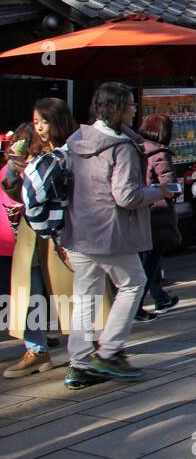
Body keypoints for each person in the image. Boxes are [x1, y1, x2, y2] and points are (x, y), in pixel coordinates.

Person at [61, 83, 174, 389]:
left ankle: (79, 363)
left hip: (78, 231)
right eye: (131, 104)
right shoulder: (120, 147)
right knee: (133, 283)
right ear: (118, 108)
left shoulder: (77, 139)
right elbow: (126, 197)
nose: (135, 108)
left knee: (85, 297)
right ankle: (109, 351)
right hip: (110, 232)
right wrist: (159, 191)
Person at [3, 103, 75, 378]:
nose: (40, 127)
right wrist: (13, 171)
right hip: (31, 229)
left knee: (70, 288)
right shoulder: (30, 149)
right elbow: (13, 191)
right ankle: (36, 349)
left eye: (44, 121)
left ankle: (85, 346)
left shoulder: (74, 150)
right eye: (36, 121)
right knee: (29, 290)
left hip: (63, 227)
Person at [136, 114, 181, 321]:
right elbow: (169, 185)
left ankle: (160, 296)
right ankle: (135, 307)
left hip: (140, 211)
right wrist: (176, 189)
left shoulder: (136, 149)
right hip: (159, 214)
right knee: (150, 262)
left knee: (149, 260)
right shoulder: (160, 155)